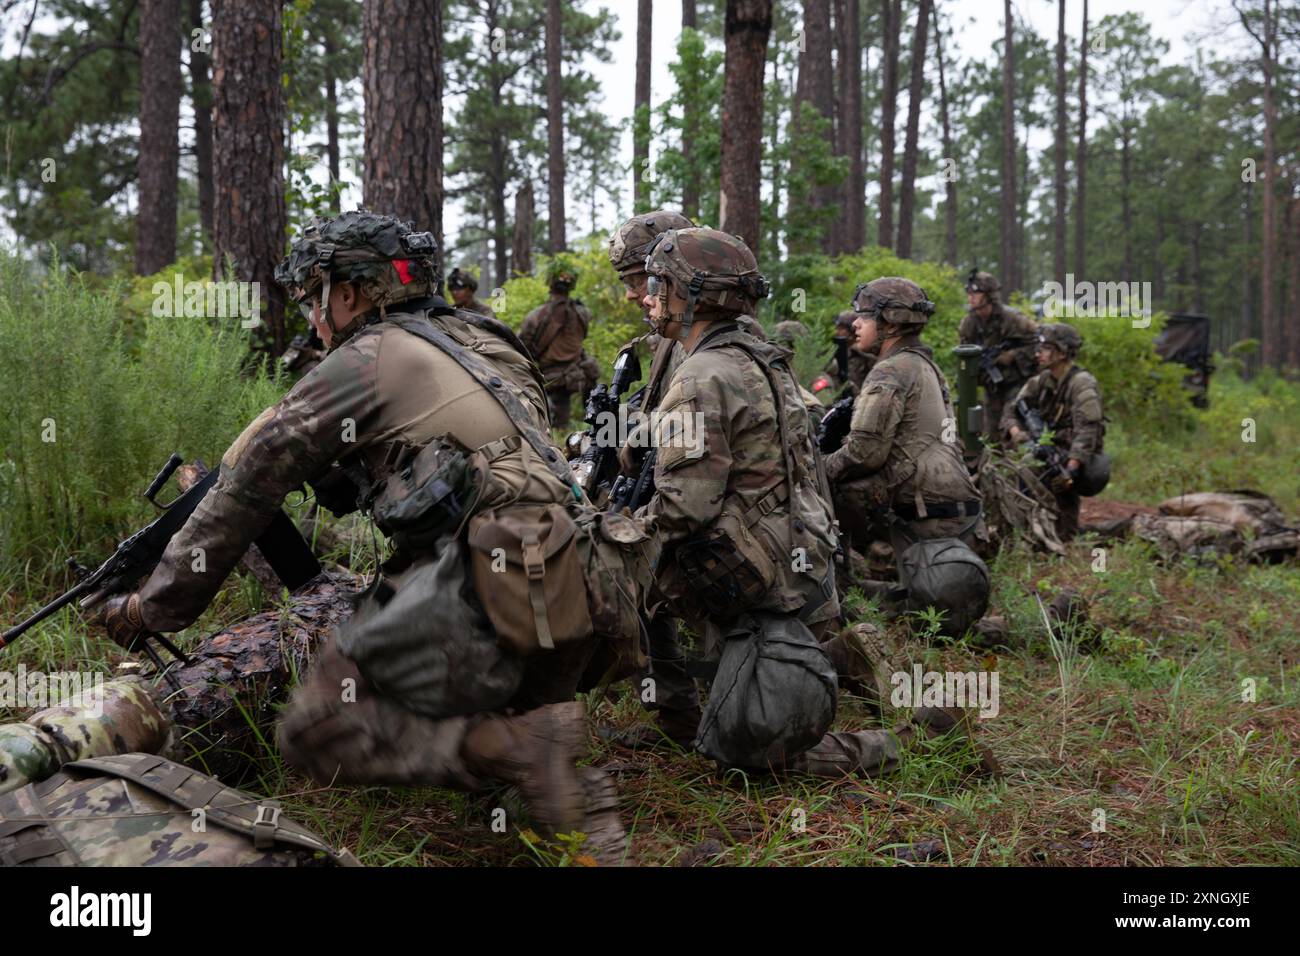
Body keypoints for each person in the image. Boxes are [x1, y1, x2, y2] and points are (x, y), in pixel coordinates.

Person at [93, 211, 627, 859]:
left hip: (502, 579)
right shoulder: (489, 339)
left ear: (347, 294)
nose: (312, 321)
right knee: (484, 690)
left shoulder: (366, 358)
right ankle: (569, 803)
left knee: (318, 727)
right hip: (591, 579)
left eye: (313, 300)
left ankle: (518, 751)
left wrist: (152, 605)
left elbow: (246, 490)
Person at [636, 230, 983, 777]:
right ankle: (758, 683)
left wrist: (622, 531)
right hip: (799, 551)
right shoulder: (763, 358)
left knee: (744, 755)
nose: (649, 297)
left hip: (754, 567)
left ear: (691, 295)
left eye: (659, 285)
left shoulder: (699, 376)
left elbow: (685, 508)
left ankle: (899, 746)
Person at [823, 278, 989, 638]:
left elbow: (863, 454)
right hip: (954, 510)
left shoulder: (890, 370)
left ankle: (836, 596)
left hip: (926, 513)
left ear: (891, 324)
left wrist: (816, 470)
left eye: (863, 317)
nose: (855, 324)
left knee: (821, 493)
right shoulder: (923, 364)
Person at [1001, 323, 1106, 541]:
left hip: (1078, 455)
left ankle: (1063, 536)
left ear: (1063, 352)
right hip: (1051, 445)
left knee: (1059, 489)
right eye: (1039, 347)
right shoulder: (1042, 380)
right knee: (1025, 467)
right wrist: (1016, 432)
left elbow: (1088, 429)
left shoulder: (1082, 383)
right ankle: (1032, 531)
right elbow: (1012, 408)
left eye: (1046, 348)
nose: (1038, 353)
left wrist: (1071, 468)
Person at [958, 270, 1038, 440]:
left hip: (1017, 383)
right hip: (992, 386)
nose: (971, 296)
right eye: (969, 292)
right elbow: (964, 353)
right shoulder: (969, 323)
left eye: (976, 292)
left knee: (1014, 427)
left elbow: (1039, 344)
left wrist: (1012, 355)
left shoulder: (1013, 319)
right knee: (991, 435)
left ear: (989, 296)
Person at [519, 260, 601, 425]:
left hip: (551, 377)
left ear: (550, 284)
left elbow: (521, 347)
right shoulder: (582, 313)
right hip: (578, 373)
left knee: (556, 425)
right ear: (571, 286)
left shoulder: (536, 316)